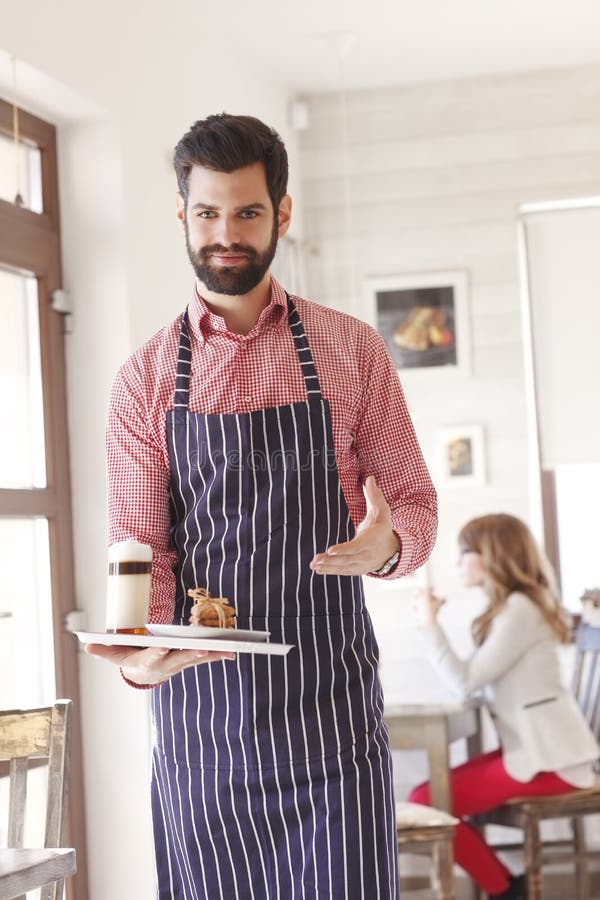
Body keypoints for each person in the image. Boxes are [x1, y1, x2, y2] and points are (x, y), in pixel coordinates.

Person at [86, 113, 437, 900]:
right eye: (207, 213)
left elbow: (412, 501)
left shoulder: (351, 350)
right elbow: (142, 545)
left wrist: (386, 547)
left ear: (282, 213)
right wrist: (143, 659)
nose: (226, 235)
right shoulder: (144, 381)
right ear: (182, 215)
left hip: (332, 730)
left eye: (247, 213)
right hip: (202, 728)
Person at [410, 513, 598, 900]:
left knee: (425, 801)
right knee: (430, 795)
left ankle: (505, 889)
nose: (459, 562)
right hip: (538, 753)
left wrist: (429, 623)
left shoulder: (520, 611)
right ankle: (507, 887)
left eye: (466, 552)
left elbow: (464, 681)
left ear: (491, 555)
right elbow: (473, 684)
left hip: (555, 763)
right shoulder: (515, 608)